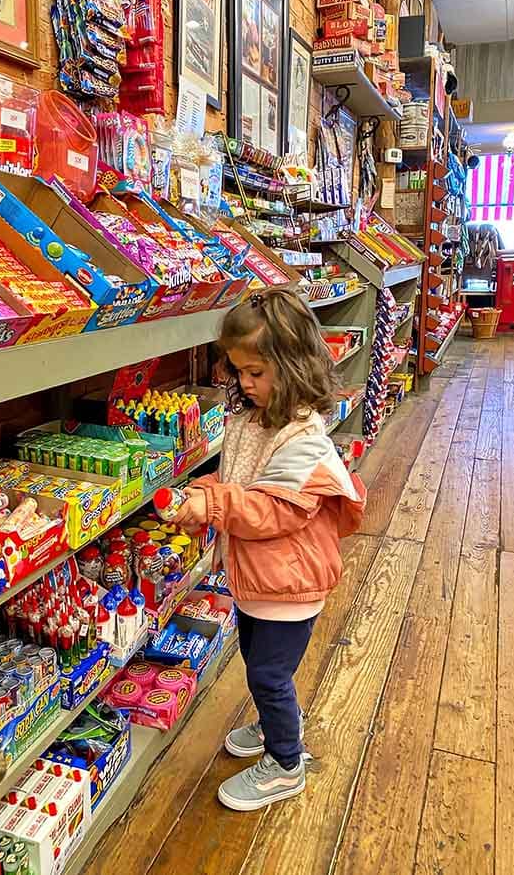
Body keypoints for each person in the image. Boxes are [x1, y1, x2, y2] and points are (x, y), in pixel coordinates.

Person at [173, 289, 366, 812]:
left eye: (256, 371)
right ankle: (274, 723)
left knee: (268, 672)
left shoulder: (303, 437)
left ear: (294, 365)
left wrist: (212, 503)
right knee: (260, 663)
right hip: (260, 576)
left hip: (289, 582)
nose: (244, 383)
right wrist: (205, 492)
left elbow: (272, 510)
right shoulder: (255, 419)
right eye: (237, 371)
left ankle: (285, 763)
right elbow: (241, 478)